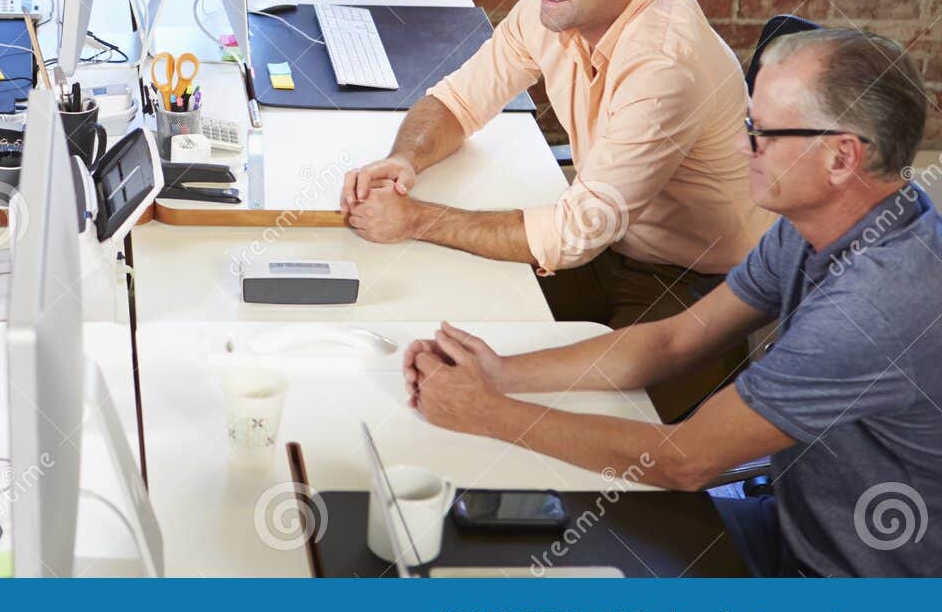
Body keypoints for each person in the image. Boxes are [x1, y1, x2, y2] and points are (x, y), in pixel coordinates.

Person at [402, 29, 942, 577]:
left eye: (761, 133)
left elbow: (688, 461)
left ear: (841, 158)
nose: (740, 146)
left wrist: (489, 413)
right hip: (785, 520)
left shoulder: (876, 305)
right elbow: (675, 339)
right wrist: (499, 374)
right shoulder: (821, 222)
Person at [341, 0, 770, 420]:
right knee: (440, 323)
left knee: (608, 435)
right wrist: (406, 158)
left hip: (697, 285)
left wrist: (417, 218)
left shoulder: (665, 64)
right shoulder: (559, 5)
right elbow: (458, 101)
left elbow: (575, 233)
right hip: (613, 247)